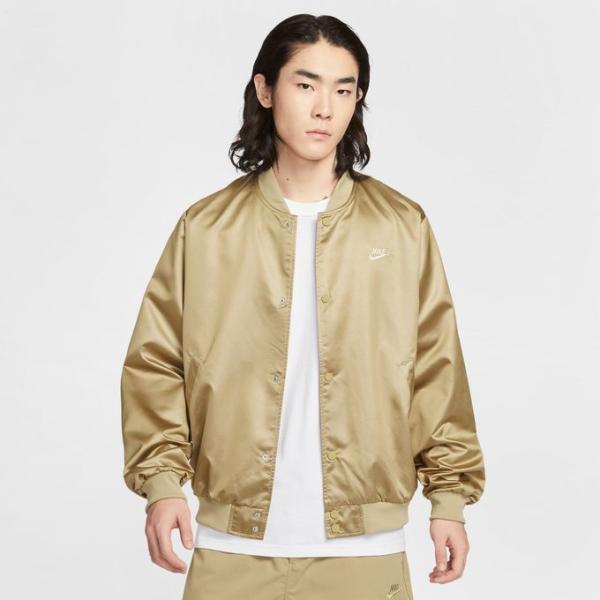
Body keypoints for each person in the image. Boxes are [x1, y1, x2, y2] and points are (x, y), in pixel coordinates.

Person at [120, 13, 485, 600]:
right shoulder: (207, 229)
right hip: (233, 546)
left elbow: (436, 370)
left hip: (364, 551)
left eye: (343, 90)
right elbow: (156, 364)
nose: (324, 108)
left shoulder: (401, 226)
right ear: (265, 90)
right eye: (306, 84)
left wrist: (449, 498)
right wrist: (162, 485)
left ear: (357, 100)